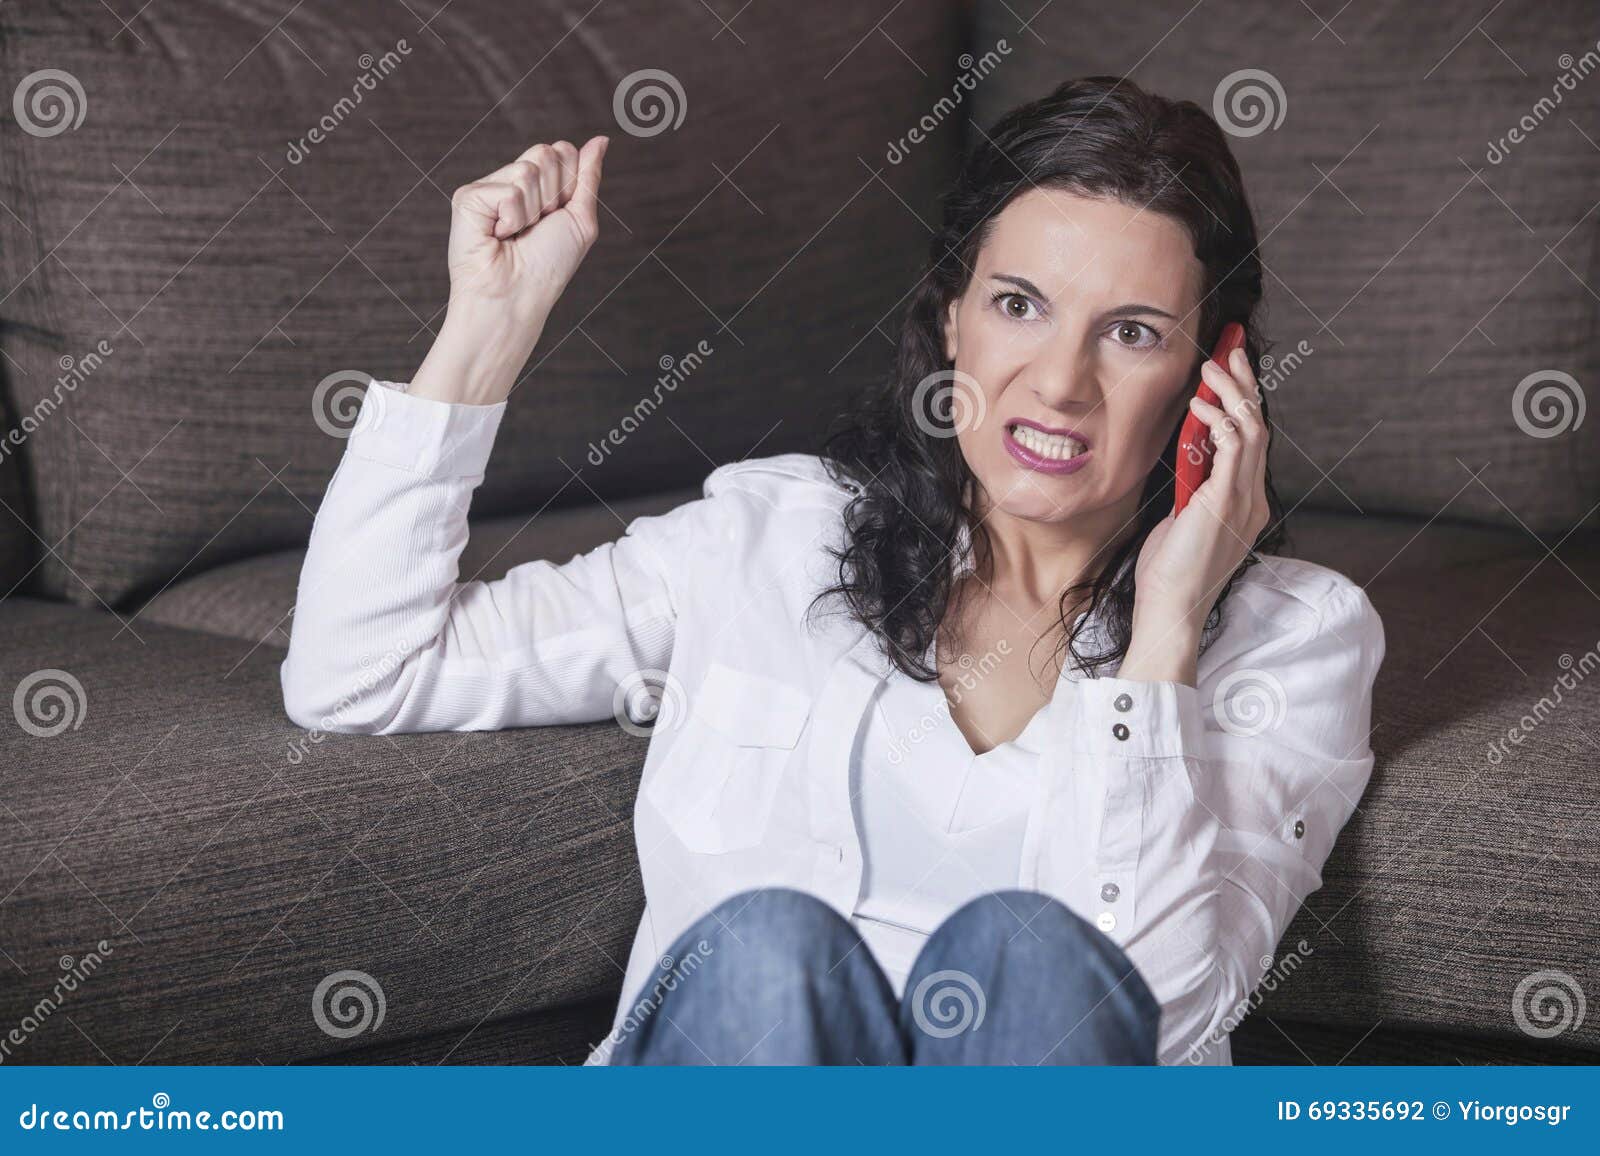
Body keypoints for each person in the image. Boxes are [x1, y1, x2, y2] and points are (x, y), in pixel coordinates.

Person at [281, 75, 1385, 1066]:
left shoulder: (1296, 638)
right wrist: (490, 322)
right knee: (771, 953)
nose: (1058, 382)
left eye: (1132, 332)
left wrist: (1167, 635)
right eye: (1018, 305)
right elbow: (361, 672)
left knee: (1036, 959)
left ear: (1214, 372)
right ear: (952, 317)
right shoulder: (772, 532)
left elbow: (1165, 1017)